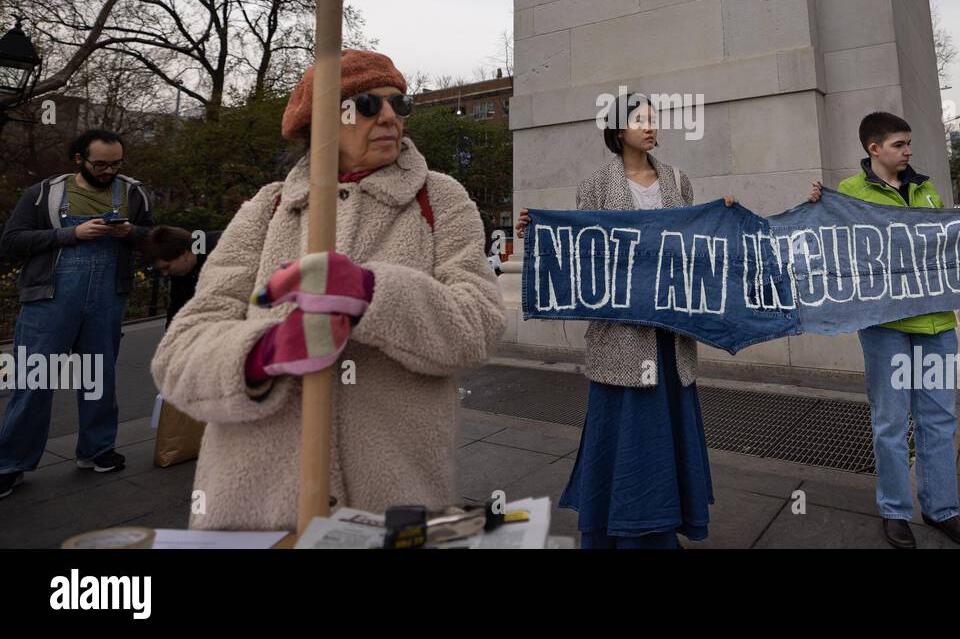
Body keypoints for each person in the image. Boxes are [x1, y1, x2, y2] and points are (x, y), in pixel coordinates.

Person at [150, 50, 505, 530]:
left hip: (391, 505)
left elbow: (479, 326)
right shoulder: (267, 208)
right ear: (320, 121)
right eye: (364, 105)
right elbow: (178, 356)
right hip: (255, 511)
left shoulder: (439, 198)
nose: (388, 117)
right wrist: (262, 354)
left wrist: (370, 292)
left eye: (399, 104)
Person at [516, 92, 730, 549]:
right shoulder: (595, 185)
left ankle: (662, 529)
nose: (651, 126)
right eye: (640, 119)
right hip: (623, 340)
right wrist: (541, 231)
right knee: (628, 436)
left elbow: (694, 244)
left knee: (667, 432)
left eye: (654, 119)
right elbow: (584, 252)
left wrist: (723, 219)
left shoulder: (677, 180)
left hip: (670, 337)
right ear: (617, 130)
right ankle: (620, 531)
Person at [809, 111, 960, 549]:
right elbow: (835, 246)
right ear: (874, 149)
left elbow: (946, 239)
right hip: (885, 326)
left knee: (938, 418)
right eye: (900, 144)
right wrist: (818, 207)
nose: (908, 151)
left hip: (937, 322)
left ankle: (943, 510)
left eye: (909, 144)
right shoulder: (849, 193)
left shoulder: (926, 190)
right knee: (890, 420)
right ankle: (895, 510)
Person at [0, 129, 155, 499]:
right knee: (35, 381)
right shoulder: (42, 193)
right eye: (100, 164)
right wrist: (71, 235)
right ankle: (11, 463)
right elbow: (10, 242)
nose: (109, 170)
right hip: (49, 301)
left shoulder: (133, 192)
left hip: (106, 299)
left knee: (98, 377)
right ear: (79, 159)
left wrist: (132, 232)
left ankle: (96, 450)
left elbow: (150, 236)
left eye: (116, 163)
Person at [143, 226, 224, 329]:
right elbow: (177, 309)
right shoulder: (181, 272)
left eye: (166, 267)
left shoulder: (221, 249)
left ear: (184, 254)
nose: (165, 273)